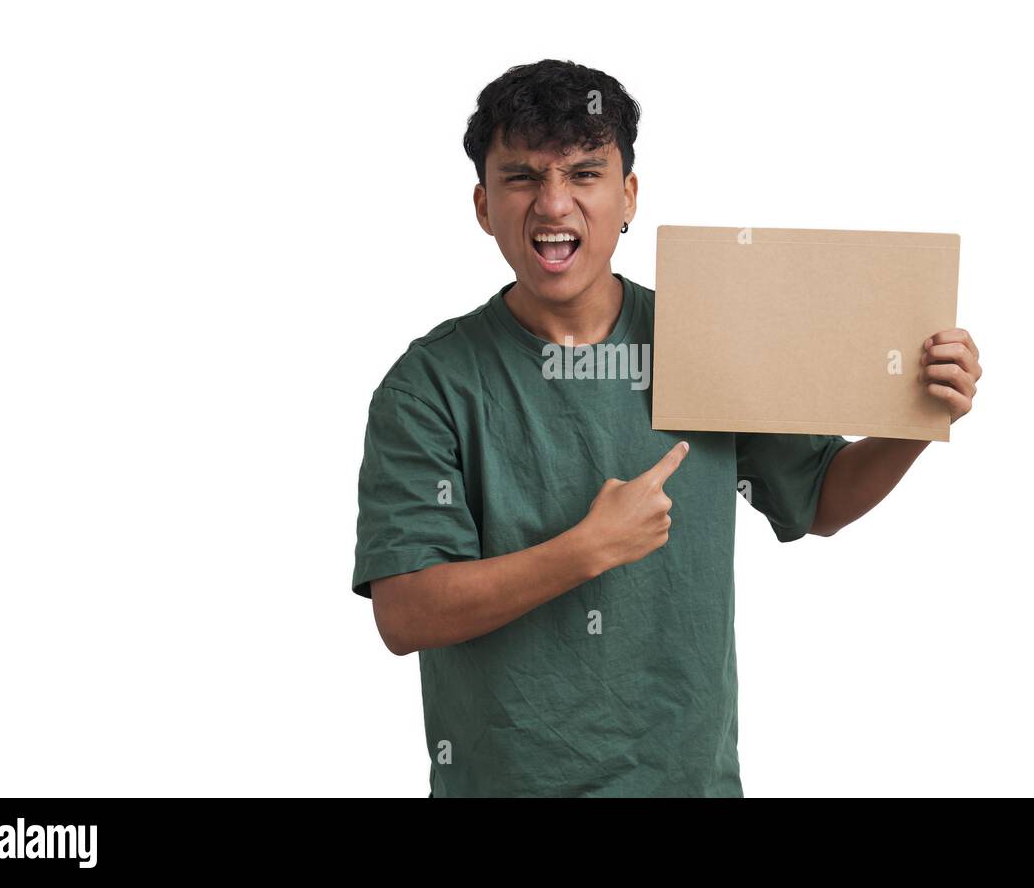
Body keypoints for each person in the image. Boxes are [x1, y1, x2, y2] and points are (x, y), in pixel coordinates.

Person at [351, 59, 983, 797]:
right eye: (521, 178)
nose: (553, 205)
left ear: (628, 197)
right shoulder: (429, 384)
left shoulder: (702, 337)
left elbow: (819, 500)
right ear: (483, 204)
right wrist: (586, 549)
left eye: (585, 174)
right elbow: (405, 611)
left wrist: (917, 415)